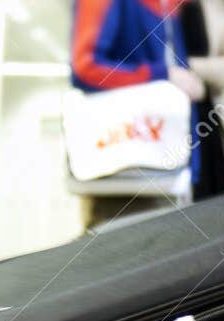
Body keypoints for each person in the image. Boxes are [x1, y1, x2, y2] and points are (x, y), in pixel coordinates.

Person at [71, 0, 201, 228]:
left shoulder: (168, 6)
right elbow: (86, 68)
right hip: (127, 171)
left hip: (169, 169)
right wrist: (163, 75)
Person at [180, 0, 224, 200]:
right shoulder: (151, 7)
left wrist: (187, 67)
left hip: (207, 123)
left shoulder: (211, 7)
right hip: (169, 123)